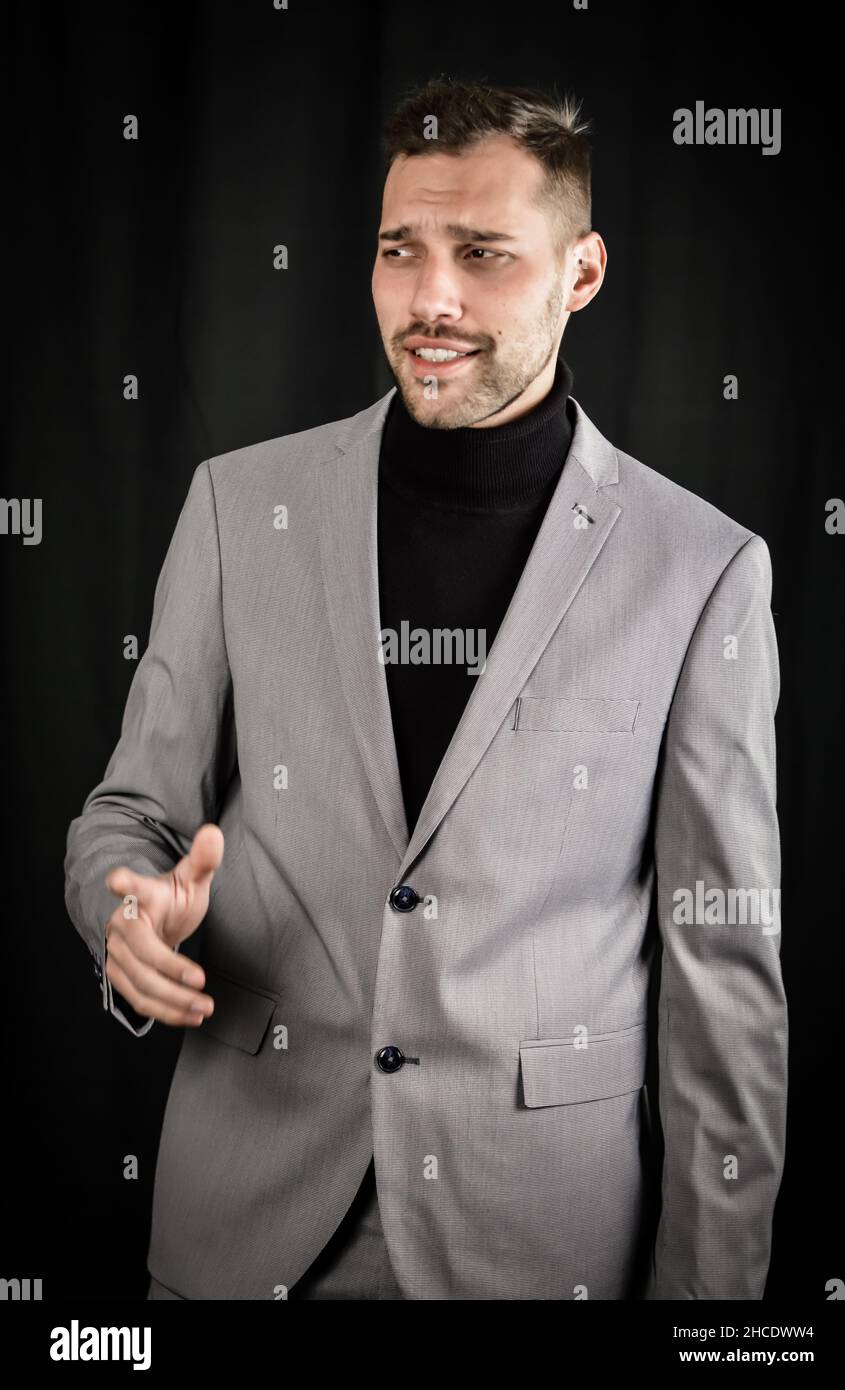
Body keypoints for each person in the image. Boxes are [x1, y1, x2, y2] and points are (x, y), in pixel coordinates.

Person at [64, 77, 788, 1300]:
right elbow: (126, 816)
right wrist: (122, 912)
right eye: (401, 250)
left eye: (483, 253)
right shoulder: (242, 509)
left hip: (537, 1245)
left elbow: (724, 986)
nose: (429, 299)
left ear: (583, 273)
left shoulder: (703, 568)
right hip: (238, 1232)